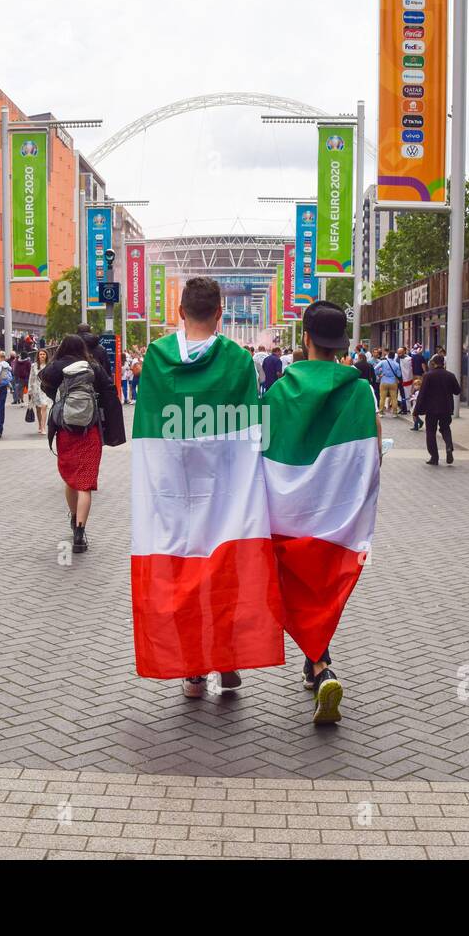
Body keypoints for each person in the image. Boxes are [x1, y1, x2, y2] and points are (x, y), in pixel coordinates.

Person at [130, 276, 280, 700]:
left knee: (180, 571)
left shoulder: (158, 357)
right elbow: (251, 430)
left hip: (172, 488)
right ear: (219, 313)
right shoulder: (236, 359)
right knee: (223, 571)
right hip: (224, 488)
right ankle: (227, 661)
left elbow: (151, 424)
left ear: (180, 311)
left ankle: (193, 669)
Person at [263, 301, 382, 724]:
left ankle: (319, 665)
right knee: (321, 588)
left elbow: (260, 450)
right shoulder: (359, 391)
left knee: (291, 588)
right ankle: (318, 666)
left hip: (285, 515)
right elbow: (371, 453)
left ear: (306, 339)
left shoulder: (278, 392)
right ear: (341, 345)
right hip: (334, 517)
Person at [41, 334, 124, 555]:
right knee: (85, 484)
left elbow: (44, 383)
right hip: (90, 430)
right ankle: (80, 531)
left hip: (66, 431)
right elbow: (110, 391)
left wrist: (60, 397)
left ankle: (73, 517)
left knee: (70, 479)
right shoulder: (93, 367)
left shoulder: (56, 366)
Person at [415, 354, 461, 466]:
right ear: (443, 363)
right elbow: (457, 391)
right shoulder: (450, 375)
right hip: (446, 408)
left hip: (431, 409)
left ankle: (434, 457)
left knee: (431, 432)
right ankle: (449, 446)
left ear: (433, 363)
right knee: (445, 428)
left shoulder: (428, 376)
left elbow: (422, 394)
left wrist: (417, 409)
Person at [28, 347, 52, 434]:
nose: (42, 356)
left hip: (45, 389)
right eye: (40, 354)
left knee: (44, 406)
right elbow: (31, 378)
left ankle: (43, 427)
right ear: (38, 356)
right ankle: (40, 425)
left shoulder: (50, 365)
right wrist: (30, 390)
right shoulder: (34, 366)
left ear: (46, 356)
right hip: (36, 389)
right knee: (38, 408)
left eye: (44, 354)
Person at [374, 349, 401, 416]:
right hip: (393, 382)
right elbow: (399, 374)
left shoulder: (383, 362)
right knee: (394, 398)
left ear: (388, 356)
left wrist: (379, 374)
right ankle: (395, 413)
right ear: (394, 356)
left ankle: (381, 412)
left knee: (382, 397)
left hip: (384, 380)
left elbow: (375, 369)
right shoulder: (396, 364)